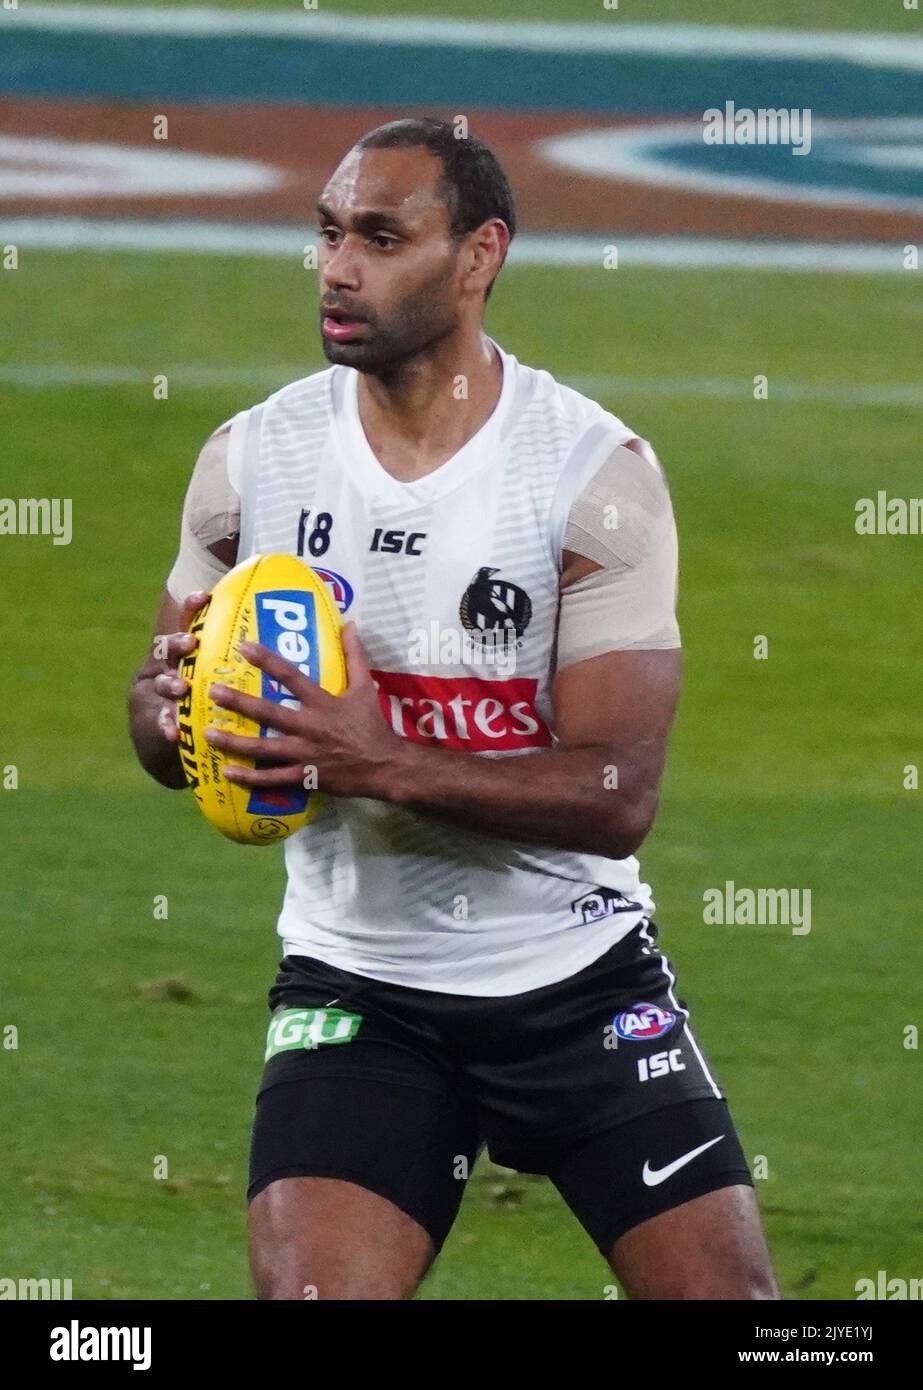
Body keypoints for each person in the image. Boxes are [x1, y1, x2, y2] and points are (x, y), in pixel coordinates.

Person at [129, 117, 778, 1301]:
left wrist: (372, 758)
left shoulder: (588, 476)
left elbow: (616, 795)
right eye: (328, 234)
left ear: (479, 256)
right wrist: (175, 713)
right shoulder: (251, 460)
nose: (336, 268)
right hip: (355, 988)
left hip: (578, 984)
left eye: (380, 237)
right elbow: (154, 719)